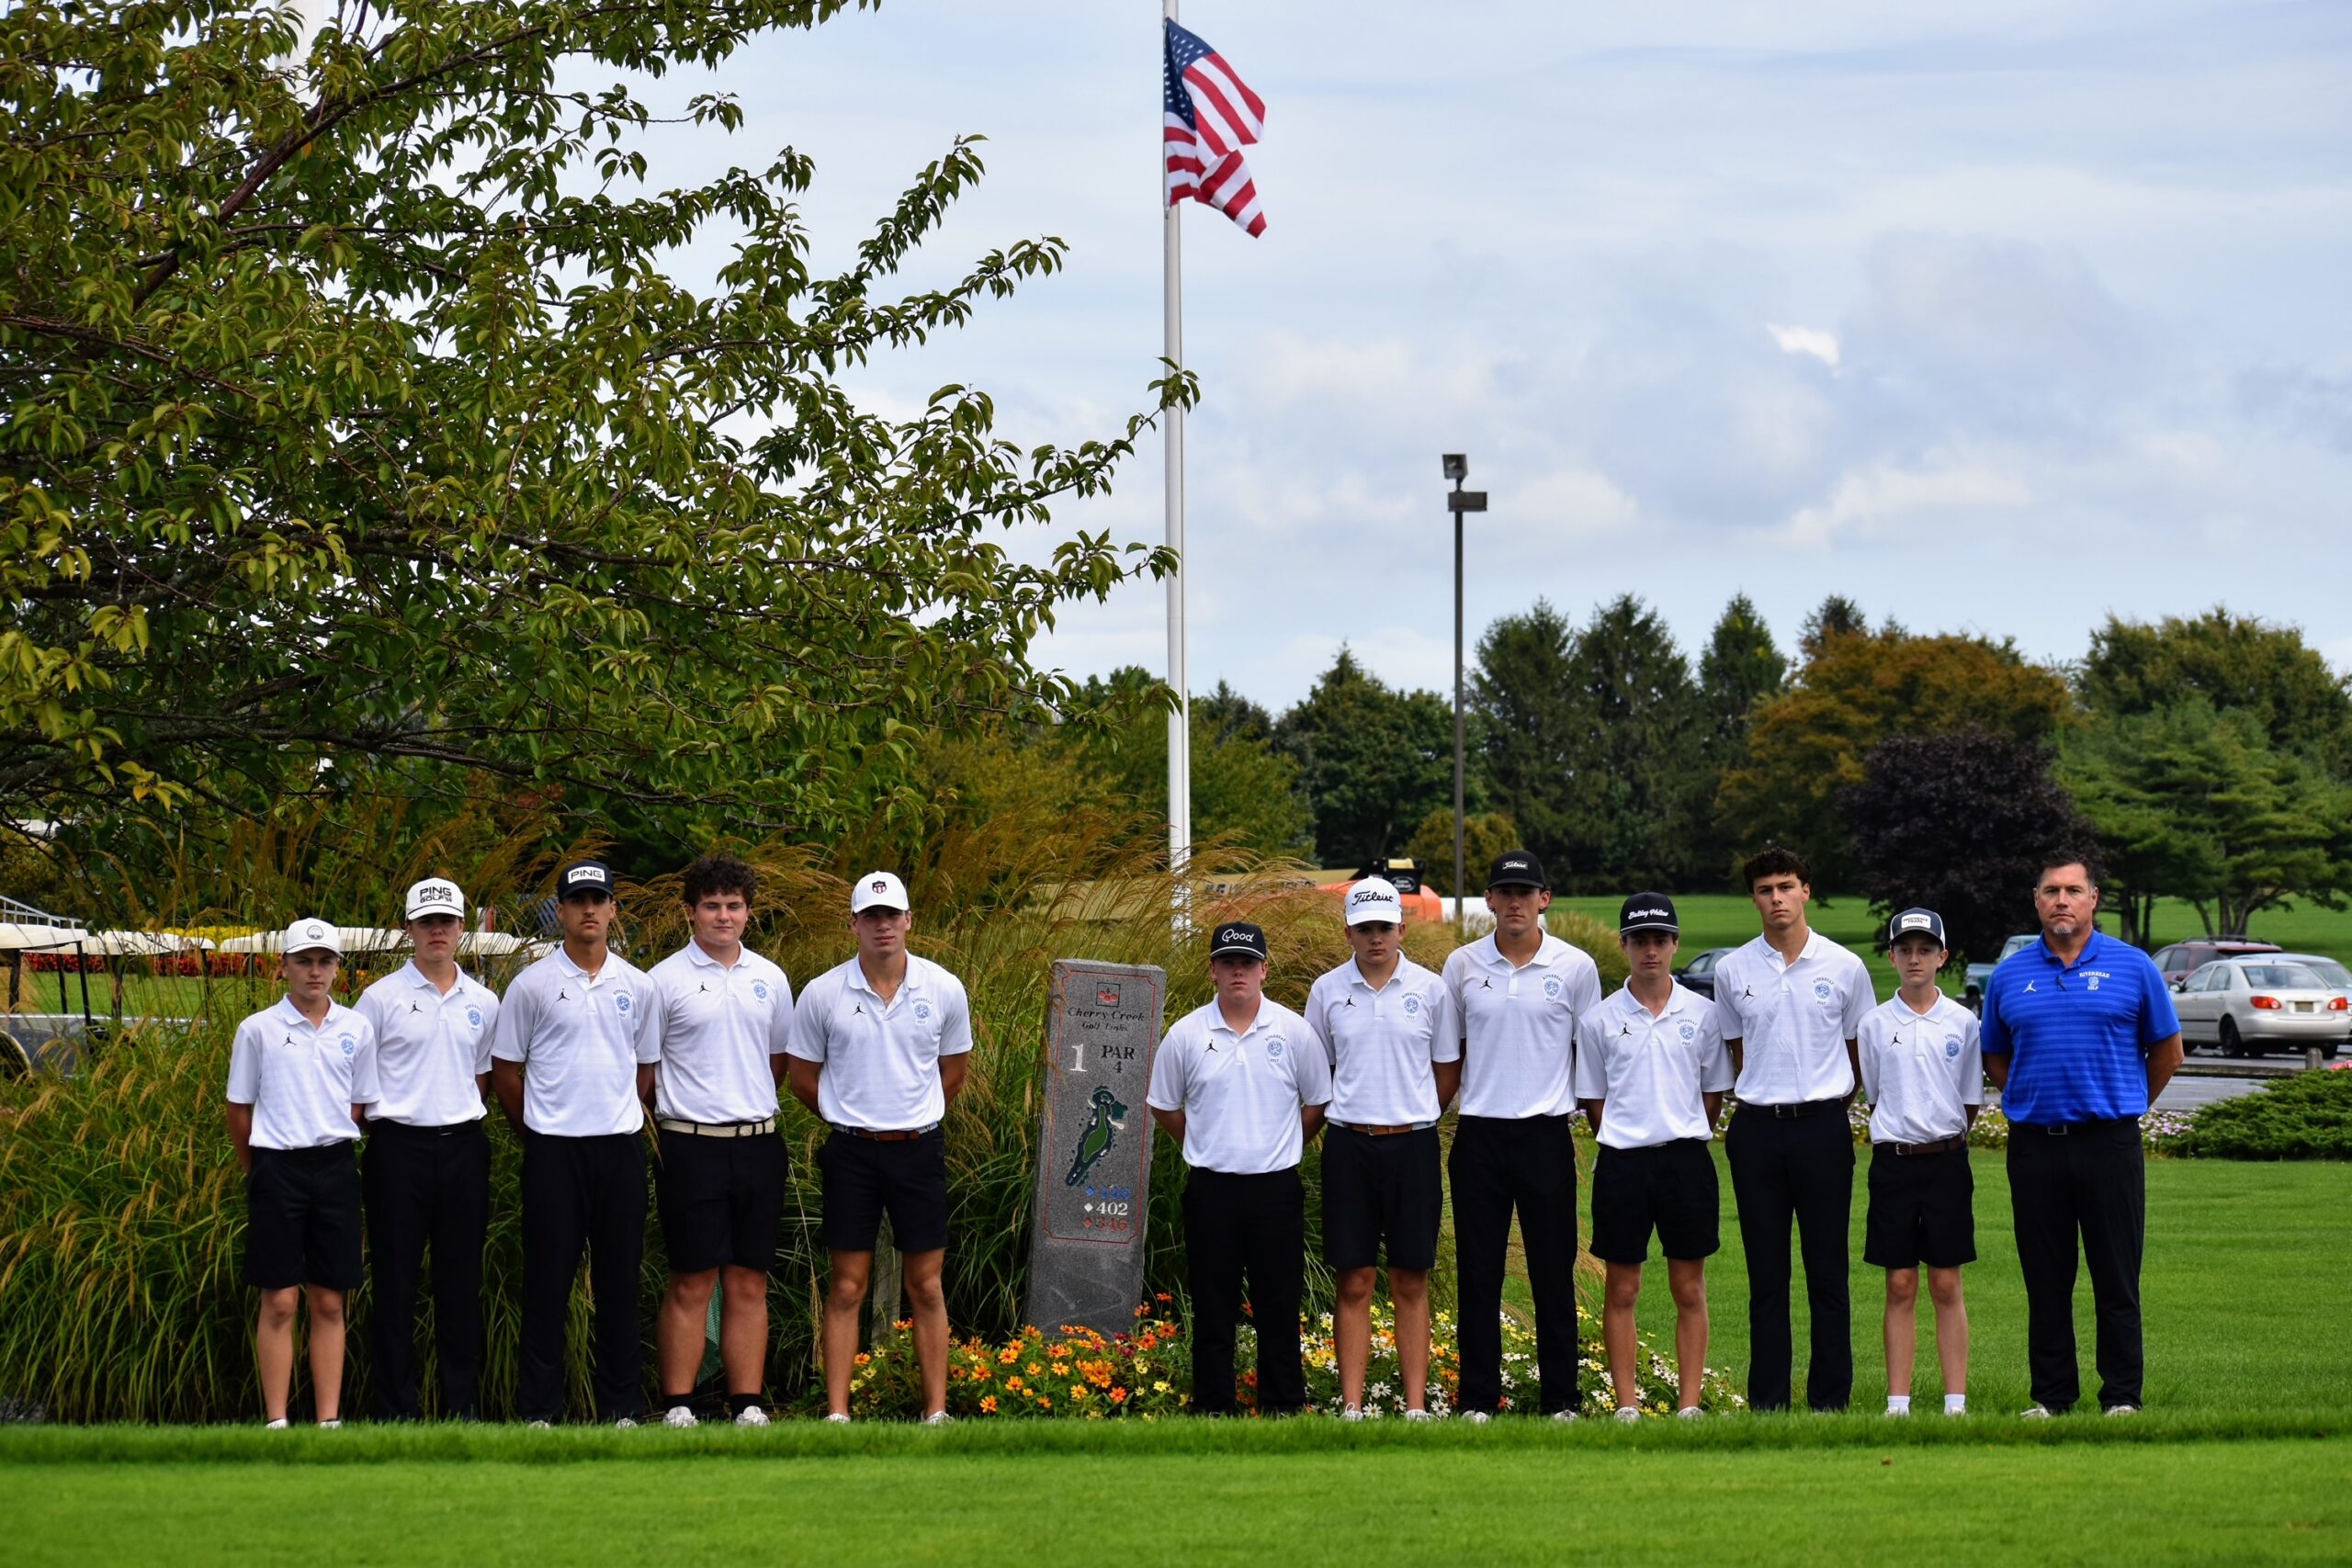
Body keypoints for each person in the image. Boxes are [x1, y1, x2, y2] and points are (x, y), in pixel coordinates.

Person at [1981, 853, 2183, 1417]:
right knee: (2046, 1280)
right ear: (2037, 901)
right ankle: (2051, 1398)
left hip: (2109, 1144)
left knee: (2116, 1277)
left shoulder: (2133, 966)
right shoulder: (2010, 975)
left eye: (2073, 890)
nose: (2061, 900)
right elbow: (1997, 1058)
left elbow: (2168, 1052)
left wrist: (2127, 1101)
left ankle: (2121, 1397)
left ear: (2094, 898)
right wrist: (2039, 1097)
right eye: (2050, 891)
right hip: (2036, 1147)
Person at [786, 871, 972, 1425]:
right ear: (854, 925)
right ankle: (838, 1413)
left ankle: (935, 1411)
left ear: (909, 920)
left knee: (926, 1284)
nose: (882, 925)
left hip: (918, 1151)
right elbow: (802, 1077)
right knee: (847, 1285)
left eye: (892, 915)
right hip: (851, 1154)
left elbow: (954, 1073)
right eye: (871, 916)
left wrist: (909, 1116)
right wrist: (853, 1117)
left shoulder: (943, 988)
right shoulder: (823, 992)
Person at [491, 861, 663, 1427]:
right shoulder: (531, 985)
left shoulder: (638, 986)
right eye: (578, 900)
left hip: (618, 1149)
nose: (589, 910)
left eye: (600, 900)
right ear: (561, 911)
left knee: (619, 1282)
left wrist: (614, 1114)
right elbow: (506, 1071)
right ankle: (540, 1411)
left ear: (614, 910)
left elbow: (644, 1072)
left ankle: (621, 1409)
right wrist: (537, 1132)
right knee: (547, 1283)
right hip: (553, 1152)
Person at [1440, 850, 1601, 1421]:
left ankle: (1562, 1399)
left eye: (1525, 892)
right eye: (1504, 892)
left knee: (1552, 1271)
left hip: (1545, 1135)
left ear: (1544, 899)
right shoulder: (1461, 966)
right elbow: (1448, 1054)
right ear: (1489, 900)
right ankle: (1478, 1400)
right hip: (1480, 1136)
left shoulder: (1576, 968)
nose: (1514, 902)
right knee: (1477, 1273)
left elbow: (1591, 1053)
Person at [1148, 921, 1332, 1416]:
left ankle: (1283, 1406)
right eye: (1227, 962)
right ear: (1212, 970)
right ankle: (1213, 1409)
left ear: (1264, 970)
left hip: (1275, 1190)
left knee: (1279, 1306)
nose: (1238, 971)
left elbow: (1316, 1103)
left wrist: (1286, 1144)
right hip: (1211, 1191)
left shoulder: (1295, 1031)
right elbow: (1164, 1106)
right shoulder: (1186, 1034)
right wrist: (1203, 1142)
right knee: (1213, 1308)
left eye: (1247, 963)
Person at [1713, 847, 1874, 1412]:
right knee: (1767, 1277)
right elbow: (1736, 1052)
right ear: (1754, 898)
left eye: (1786, 885)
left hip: (1822, 1130)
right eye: (1764, 889)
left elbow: (1859, 1054)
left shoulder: (1844, 966)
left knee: (1828, 1272)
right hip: (1757, 1130)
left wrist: (1824, 1105)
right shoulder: (1733, 970)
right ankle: (1769, 1403)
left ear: (1806, 889)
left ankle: (1831, 1402)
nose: (1776, 898)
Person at [1301, 877, 1460, 1419]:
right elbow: (1315, 1072)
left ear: (1402, 928)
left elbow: (1445, 1070)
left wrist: (1414, 1115)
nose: (1375, 939)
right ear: (1348, 932)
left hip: (1411, 1145)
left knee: (1411, 1277)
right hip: (1349, 1144)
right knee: (1356, 1277)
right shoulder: (1326, 991)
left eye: (1384, 928)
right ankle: (1352, 1405)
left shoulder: (1431, 989)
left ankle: (1415, 1406)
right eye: (1365, 929)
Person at [649, 852, 796, 1429]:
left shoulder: (770, 978)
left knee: (748, 1277)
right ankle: (679, 1405)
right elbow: (647, 1069)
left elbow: (778, 1061)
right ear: (690, 912)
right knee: (691, 1277)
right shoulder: (663, 980)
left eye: (734, 906)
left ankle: (747, 1403)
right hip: (688, 1144)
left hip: (758, 1142)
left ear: (748, 912)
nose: (723, 916)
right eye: (711, 906)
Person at [1575, 893, 1730, 1422]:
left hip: (1686, 1161)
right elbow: (1593, 1098)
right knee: (1623, 1285)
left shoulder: (1703, 1014)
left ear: (1675, 944)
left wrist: (1682, 1133)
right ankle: (1626, 1404)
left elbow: (1713, 1092)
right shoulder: (1598, 1020)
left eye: (1660, 940)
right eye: (1640, 940)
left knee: (1689, 1285)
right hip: (1622, 1163)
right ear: (1624, 945)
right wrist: (1626, 1137)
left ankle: (1689, 1403)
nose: (1650, 951)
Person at [355, 877, 502, 1421]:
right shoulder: (379, 999)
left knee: (460, 1281)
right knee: (395, 1282)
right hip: (397, 1149)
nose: (437, 931)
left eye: (447, 922)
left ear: (462, 928)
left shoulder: (484, 1001)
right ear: (409, 929)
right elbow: (359, 1082)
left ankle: (461, 1408)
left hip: (463, 1147)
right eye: (426, 922)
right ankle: (397, 1411)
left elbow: (482, 1078)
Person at [225, 918, 378, 1428]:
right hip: (276, 1167)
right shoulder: (258, 1030)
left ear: (338, 967)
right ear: (284, 966)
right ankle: (276, 1421)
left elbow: (358, 1104)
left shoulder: (356, 1028)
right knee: (281, 1299)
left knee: (330, 1299)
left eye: (325, 961)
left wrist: (326, 1140)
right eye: (304, 961)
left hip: (334, 1166)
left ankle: (328, 1422)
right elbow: (239, 1111)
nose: (315, 972)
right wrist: (261, 1171)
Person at [1857, 908, 1983, 1418]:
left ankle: (1956, 1401)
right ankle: (1898, 1402)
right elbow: (1874, 1095)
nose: (1915, 958)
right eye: (1905, 949)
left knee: (1947, 1281)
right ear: (1891, 956)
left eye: (1925, 950)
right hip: (1894, 1163)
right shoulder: (1874, 1023)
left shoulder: (1962, 1022)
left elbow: (1968, 1100)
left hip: (1946, 1162)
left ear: (1942, 957)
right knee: (1900, 1282)